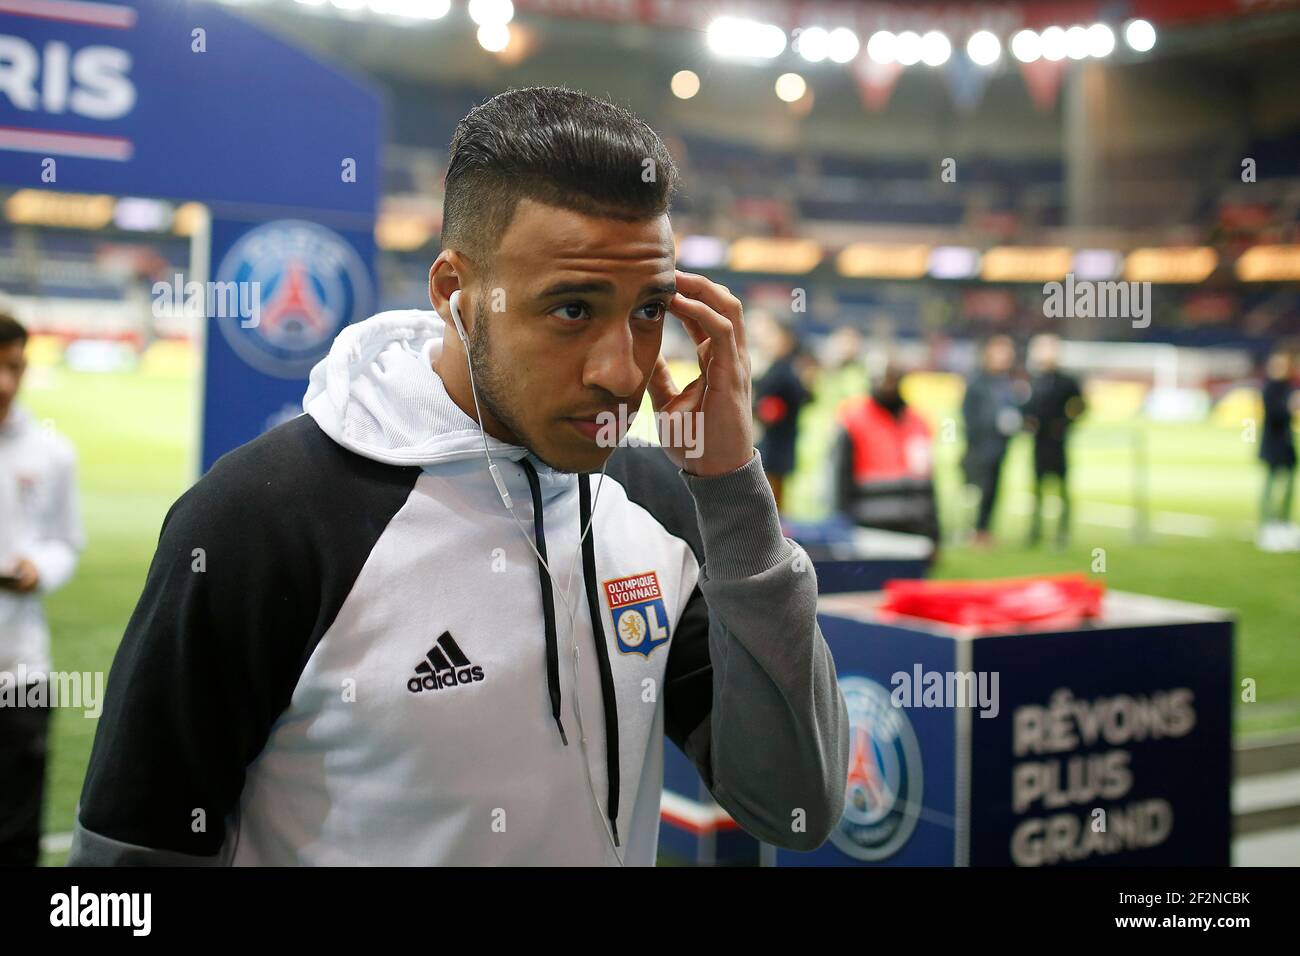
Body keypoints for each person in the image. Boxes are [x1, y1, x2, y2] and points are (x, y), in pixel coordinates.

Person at [70, 87, 849, 866]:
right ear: (455, 294)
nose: (624, 372)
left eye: (649, 310)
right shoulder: (263, 519)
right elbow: (123, 870)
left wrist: (731, 485)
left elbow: (795, 806)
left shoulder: (653, 503)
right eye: (573, 310)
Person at [0, 314, 83, 866]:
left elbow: (66, 542)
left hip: (21, 666)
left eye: (15, 367)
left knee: (15, 828)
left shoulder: (51, 451)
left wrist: (38, 568)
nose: (6, 383)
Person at [831, 359, 939, 543]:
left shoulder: (917, 422)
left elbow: (928, 482)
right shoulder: (853, 420)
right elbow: (839, 479)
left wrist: (934, 533)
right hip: (870, 528)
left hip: (915, 527)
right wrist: (842, 528)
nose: (887, 384)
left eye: (892, 378)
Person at [1022, 334, 1085, 548]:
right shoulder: (1033, 380)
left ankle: (1062, 532)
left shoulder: (1067, 381)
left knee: (1062, 489)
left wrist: (1065, 423)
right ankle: (1035, 530)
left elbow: (1080, 406)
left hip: (1058, 442)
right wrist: (1028, 423)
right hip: (1039, 442)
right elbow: (1026, 409)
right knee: (1037, 489)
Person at [961, 335, 1021, 546]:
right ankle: (971, 531)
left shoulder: (1007, 383)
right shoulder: (977, 382)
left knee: (993, 491)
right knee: (976, 491)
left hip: (999, 447)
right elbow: (968, 415)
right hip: (979, 448)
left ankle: (984, 530)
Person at [752, 315, 813, 511]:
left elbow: (775, 405)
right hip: (773, 445)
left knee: (771, 502)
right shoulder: (780, 367)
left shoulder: (783, 370)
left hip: (776, 446)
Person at [1258, 349, 1298, 551]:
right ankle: (1266, 525)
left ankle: (1283, 522)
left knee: (1289, 485)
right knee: (1271, 484)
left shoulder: (1288, 387)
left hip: (1287, 443)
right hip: (1273, 443)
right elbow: (1276, 413)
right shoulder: (1269, 388)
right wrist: (1290, 407)